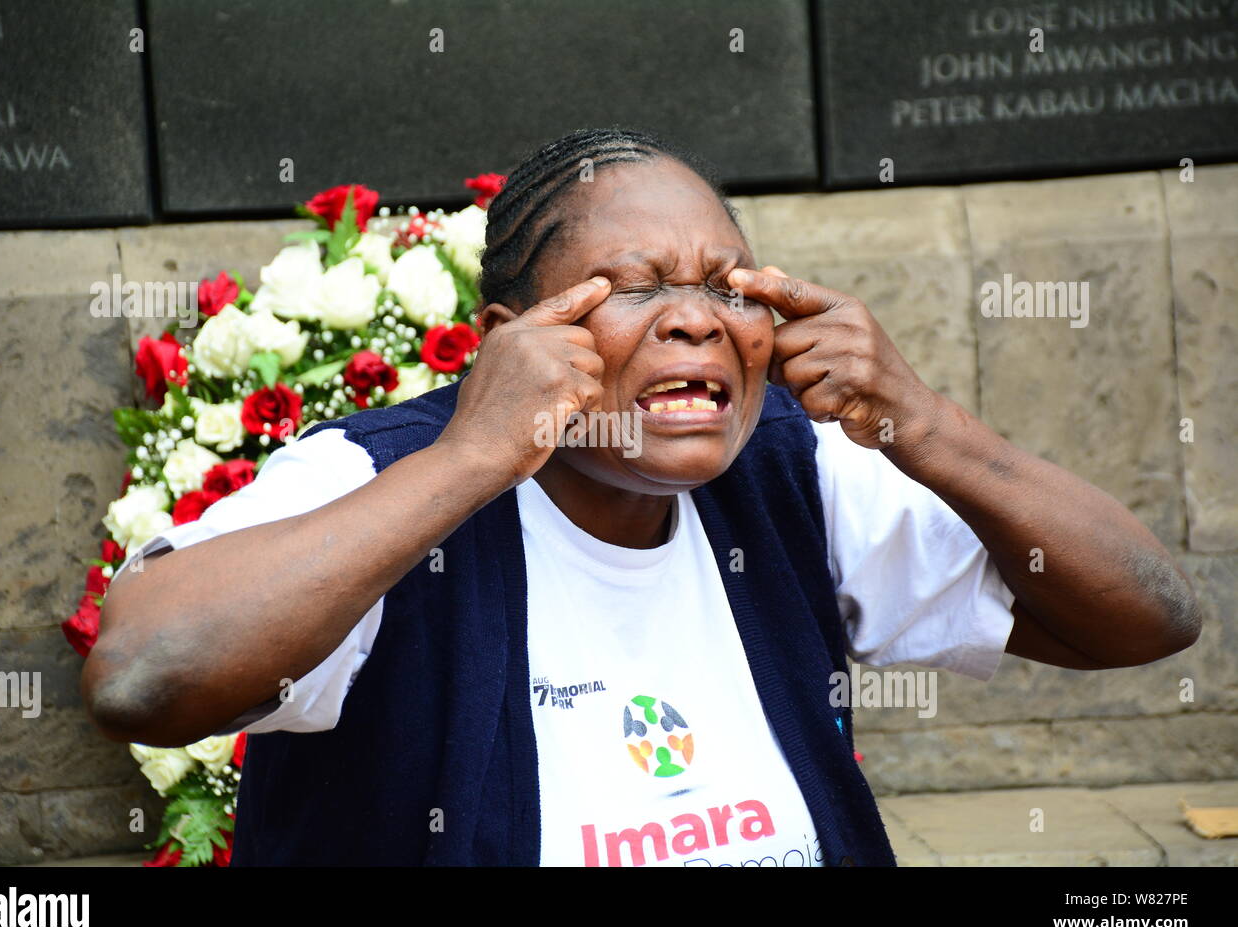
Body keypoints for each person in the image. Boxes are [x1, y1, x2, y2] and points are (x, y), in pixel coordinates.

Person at [83, 127, 1201, 867]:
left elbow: (1149, 616)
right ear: (504, 342)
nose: (696, 317)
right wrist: (474, 456)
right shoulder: (373, 474)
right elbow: (144, 677)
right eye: (636, 287)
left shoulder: (789, 466)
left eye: (728, 285)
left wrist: (923, 421)